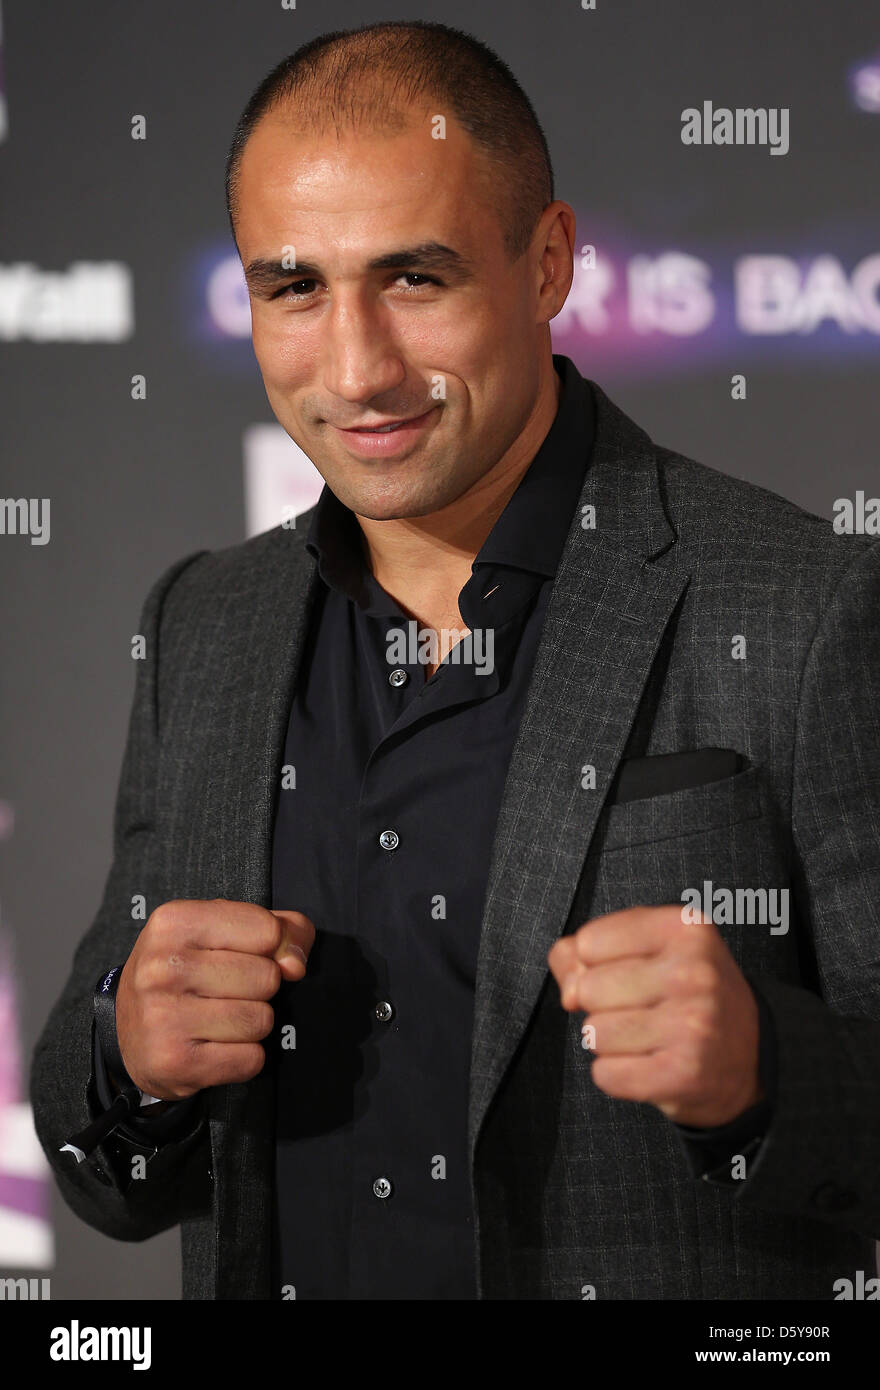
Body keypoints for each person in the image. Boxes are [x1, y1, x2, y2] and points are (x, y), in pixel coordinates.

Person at [31, 20, 880, 1300]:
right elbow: (106, 1174)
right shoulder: (205, 624)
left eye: (415, 279)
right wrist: (128, 1058)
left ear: (546, 263)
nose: (359, 369)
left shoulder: (808, 602)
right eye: (295, 287)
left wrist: (765, 1070)